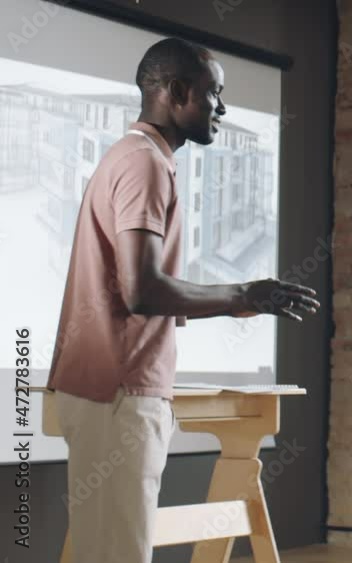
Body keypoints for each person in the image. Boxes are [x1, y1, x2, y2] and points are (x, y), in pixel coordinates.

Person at [46, 38, 320, 563]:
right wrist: (244, 292)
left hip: (108, 389)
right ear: (176, 92)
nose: (222, 108)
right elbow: (142, 289)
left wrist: (241, 301)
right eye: (214, 94)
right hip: (118, 392)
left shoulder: (132, 157)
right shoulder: (145, 164)